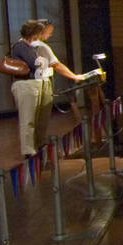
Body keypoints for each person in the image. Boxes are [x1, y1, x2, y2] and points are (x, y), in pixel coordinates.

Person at [9, 19, 84, 158]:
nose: (45, 35)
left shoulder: (37, 46)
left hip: (40, 83)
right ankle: (28, 151)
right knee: (28, 119)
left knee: (40, 118)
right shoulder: (21, 46)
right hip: (27, 85)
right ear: (34, 33)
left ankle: (39, 144)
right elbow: (35, 63)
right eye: (43, 32)